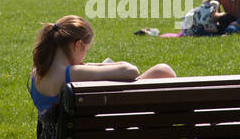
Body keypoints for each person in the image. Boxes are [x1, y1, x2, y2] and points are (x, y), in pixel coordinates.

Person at [29, 15, 174, 114]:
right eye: (86, 50)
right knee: (162, 70)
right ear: (78, 45)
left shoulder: (35, 74)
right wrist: (93, 65)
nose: (85, 56)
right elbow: (131, 71)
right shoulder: (72, 73)